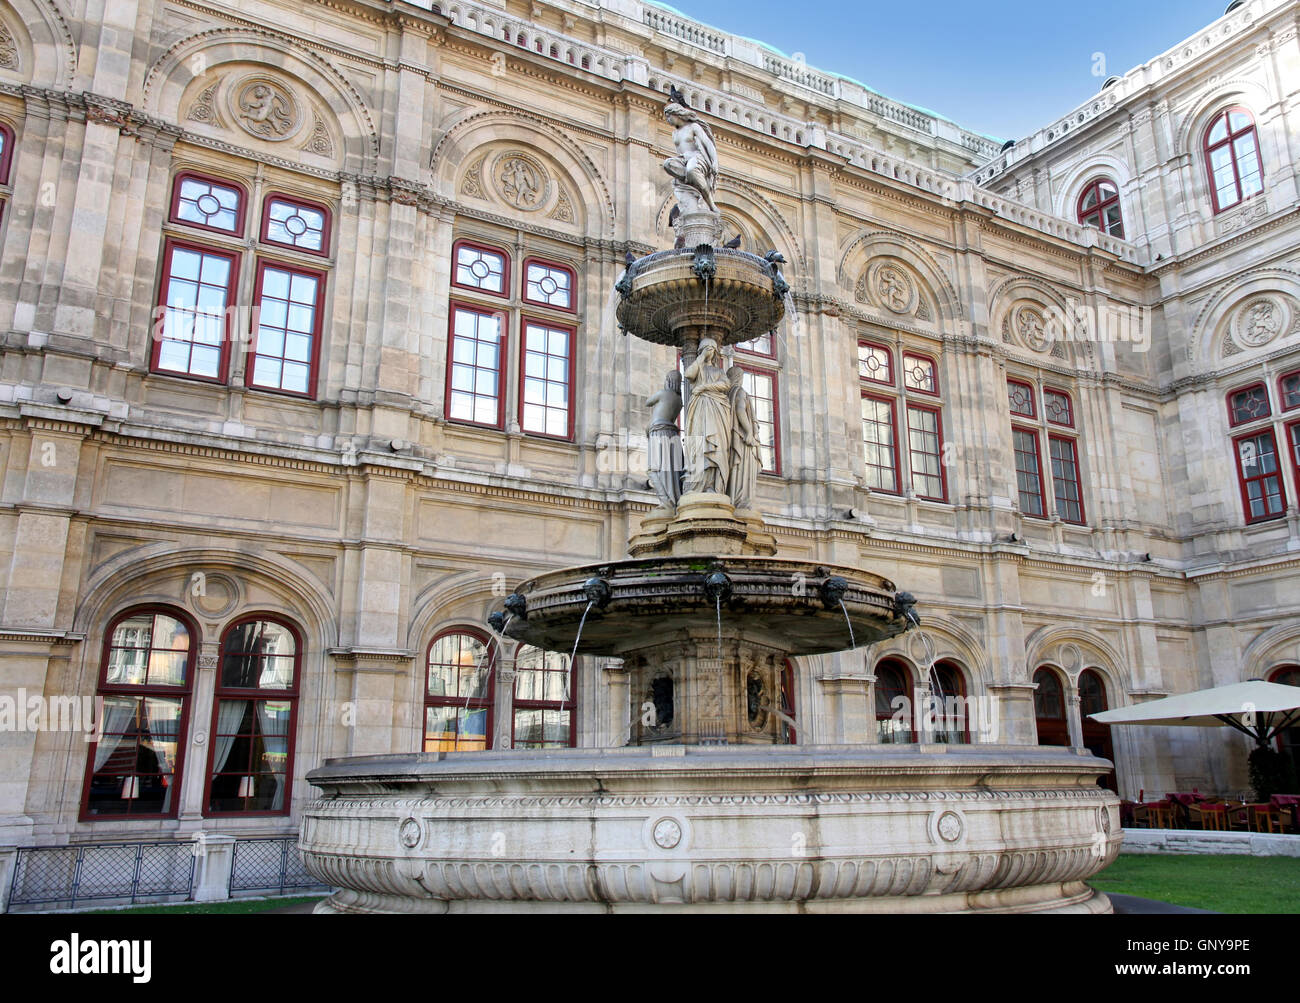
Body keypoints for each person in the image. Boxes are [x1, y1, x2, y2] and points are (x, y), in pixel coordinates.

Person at [682, 339, 732, 496]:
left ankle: (711, 485)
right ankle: (695, 484)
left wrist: (704, 387)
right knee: (698, 443)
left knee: (714, 445)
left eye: (712, 349)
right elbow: (688, 374)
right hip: (699, 408)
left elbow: (726, 385)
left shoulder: (718, 372)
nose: (709, 351)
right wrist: (701, 358)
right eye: (706, 348)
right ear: (701, 350)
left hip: (716, 409)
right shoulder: (698, 368)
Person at [663, 101, 719, 215]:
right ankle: (690, 183)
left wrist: (715, 162)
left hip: (697, 157)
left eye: (669, 116)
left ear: (676, 114)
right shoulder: (675, 133)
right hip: (683, 159)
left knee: (691, 169)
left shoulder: (693, 127)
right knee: (667, 164)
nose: (668, 120)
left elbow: (708, 143)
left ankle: (710, 202)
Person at [646, 371, 685, 509]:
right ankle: (672, 499)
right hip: (672, 433)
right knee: (671, 471)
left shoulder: (663, 393)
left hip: (658, 432)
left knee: (653, 469)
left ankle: (665, 501)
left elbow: (647, 402)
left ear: (668, 380)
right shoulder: (679, 401)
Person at [726, 366, 761, 512]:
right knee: (743, 470)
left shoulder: (726, 394)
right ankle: (742, 500)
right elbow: (740, 410)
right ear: (739, 378)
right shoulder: (740, 392)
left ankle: (734, 496)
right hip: (743, 439)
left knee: (735, 469)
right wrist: (749, 432)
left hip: (732, 440)